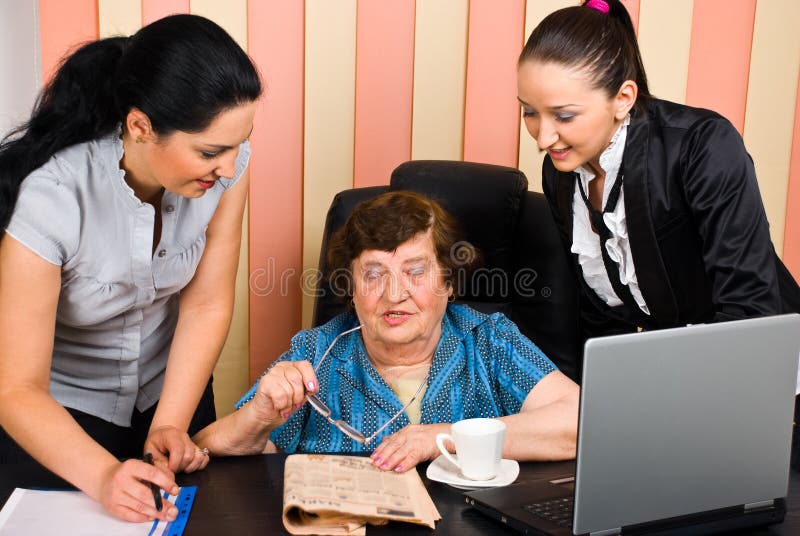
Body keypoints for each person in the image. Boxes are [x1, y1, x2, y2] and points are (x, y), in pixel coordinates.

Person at [0, 14, 261, 522]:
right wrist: (101, 474)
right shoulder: (52, 198)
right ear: (141, 126)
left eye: (239, 144)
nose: (229, 168)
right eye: (211, 151)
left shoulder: (228, 170)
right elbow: (15, 388)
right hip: (63, 420)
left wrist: (170, 425)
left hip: (172, 392)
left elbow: (206, 302)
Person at [192, 191, 580, 472]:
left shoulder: (490, 340)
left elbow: (580, 424)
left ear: (448, 281)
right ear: (350, 288)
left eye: (415, 271)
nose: (395, 294)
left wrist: (441, 438)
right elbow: (206, 449)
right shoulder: (315, 354)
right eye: (374, 274)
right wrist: (257, 417)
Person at [516, 0, 800, 343]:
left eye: (564, 116)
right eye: (530, 112)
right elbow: (600, 315)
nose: (544, 138)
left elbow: (749, 309)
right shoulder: (560, 173)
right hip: (665, 365)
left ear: (623, 98)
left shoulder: (703, 146)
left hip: (761, 359)